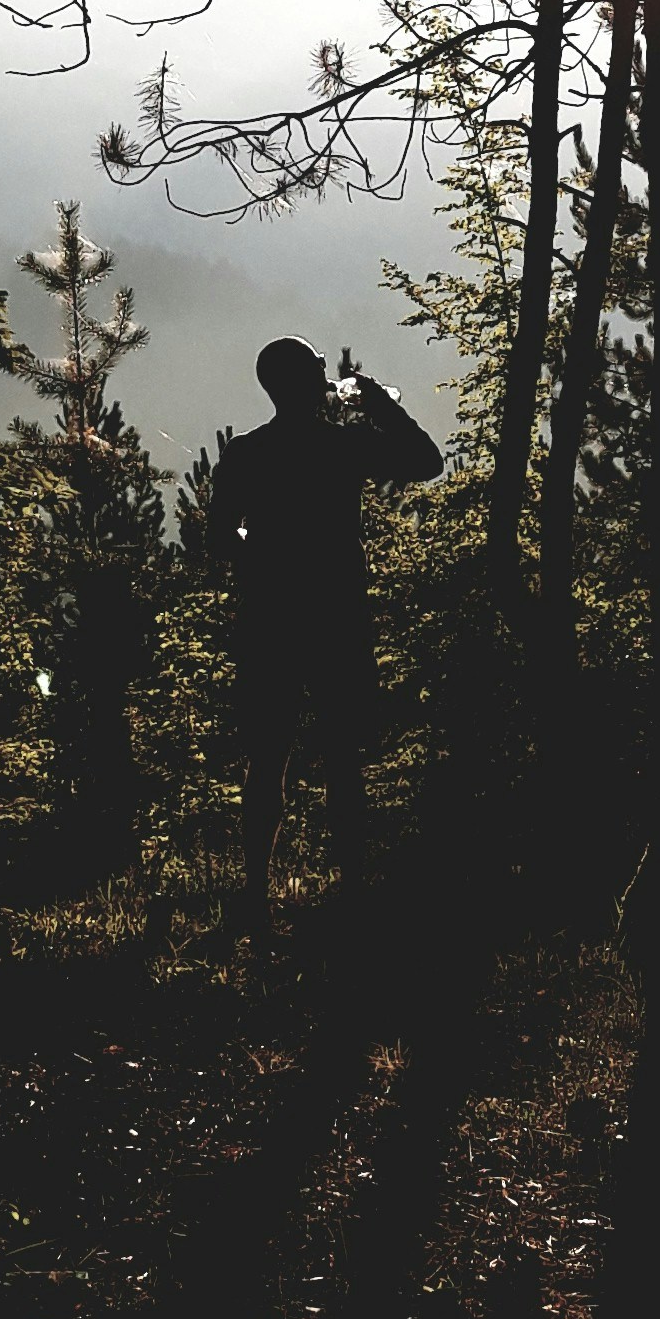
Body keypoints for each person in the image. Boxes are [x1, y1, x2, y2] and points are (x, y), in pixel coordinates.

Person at [207, 338, 441, 915]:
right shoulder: (344, 447)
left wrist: (261, 560)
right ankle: (353, 890)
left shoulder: (246, 453)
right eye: (316, 367)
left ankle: (256, 892)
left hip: (270, 621)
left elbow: (217, 536)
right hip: (337, 616)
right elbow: (427, 462)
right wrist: (379, 402)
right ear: (311, 382)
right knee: (343, 756)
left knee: (267, 758)